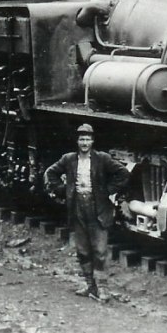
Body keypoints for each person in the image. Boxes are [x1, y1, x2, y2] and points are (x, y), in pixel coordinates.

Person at [44, 123, 129, 302]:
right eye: (81, 139)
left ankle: (103, 288)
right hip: (77, 207)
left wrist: (107, 190)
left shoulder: (102, 158)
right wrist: (63, 189)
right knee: (82, 249)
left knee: (99, 249)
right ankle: (90, 285)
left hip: (97, 208)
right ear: (77, 141)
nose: (84, 143)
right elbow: (51, 173)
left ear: (92, 141)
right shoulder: (68, 159)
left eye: (87, 139)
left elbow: (123, 173)